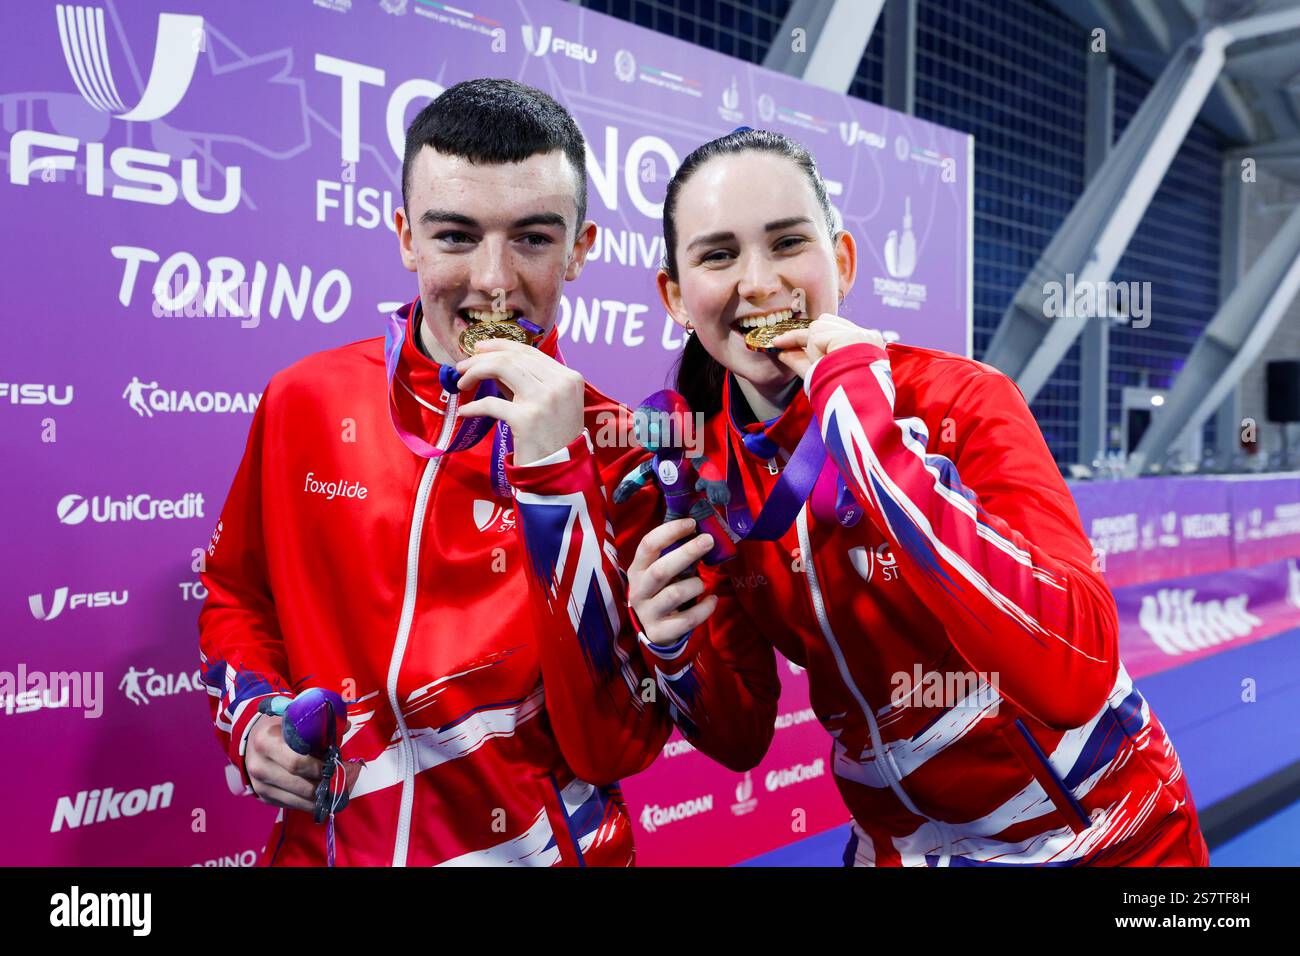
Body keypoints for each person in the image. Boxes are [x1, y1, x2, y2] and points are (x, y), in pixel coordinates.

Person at [625, 128, 1209, 866]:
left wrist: (876, 443)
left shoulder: (960, 400)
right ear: (676, 296)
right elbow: (740, 740)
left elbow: (1074, 673)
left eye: (786, 243)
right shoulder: (707, 477)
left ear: (841, 262)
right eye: (718, 255)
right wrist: (672, 649)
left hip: (1104, 840)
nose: (758, 283)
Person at [198, 79, 667, 866]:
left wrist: (556, 478)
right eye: (455, 236)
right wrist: (254, 720)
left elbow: (619, 740)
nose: (492, 280)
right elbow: (237, 595)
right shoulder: (303, 400)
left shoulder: (623, 450)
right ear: (406, 237)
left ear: (581, 250)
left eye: (532, 239)